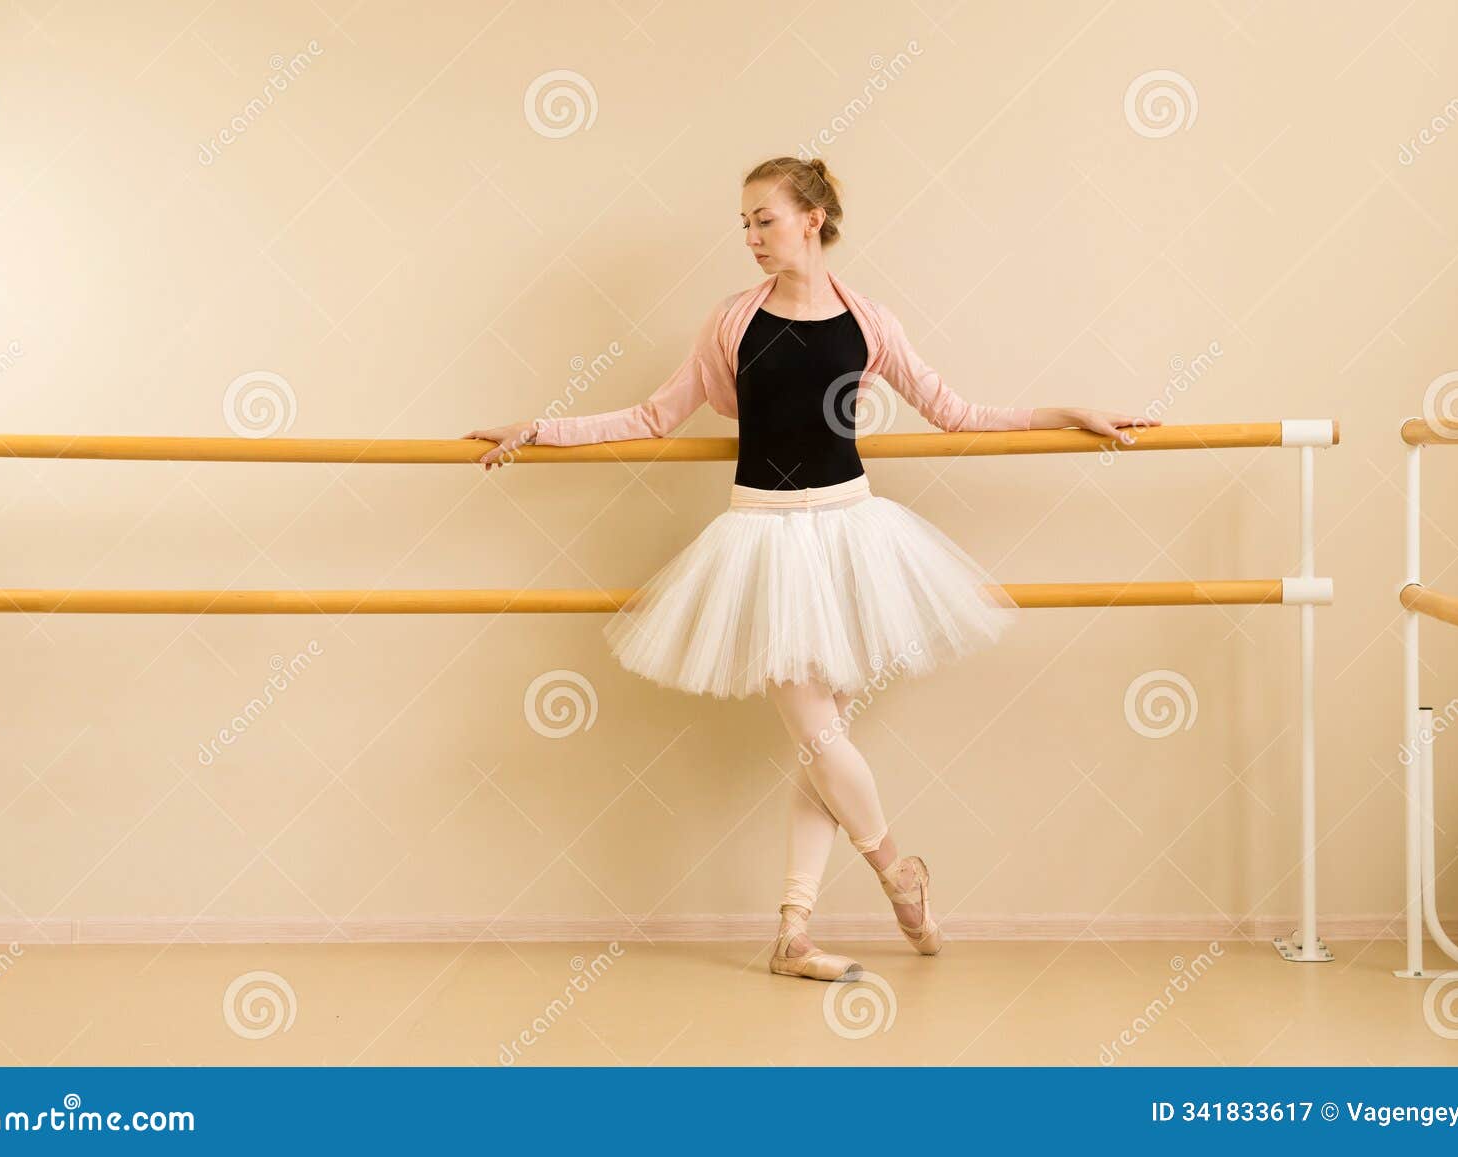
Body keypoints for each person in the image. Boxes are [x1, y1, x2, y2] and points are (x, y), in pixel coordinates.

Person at [463, 155, 1157, 982]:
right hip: (764, 541)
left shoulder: (868, 322)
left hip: (851, 538)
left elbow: (956, 413)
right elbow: (656, 414)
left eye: (765, 218)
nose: (752, 237)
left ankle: (792, 932)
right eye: (745, 224)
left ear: (813, 217)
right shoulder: (732, 321)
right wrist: (540, 429)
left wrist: (1068, 412)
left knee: (821, 748)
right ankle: (900, 876)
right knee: (823, 739)